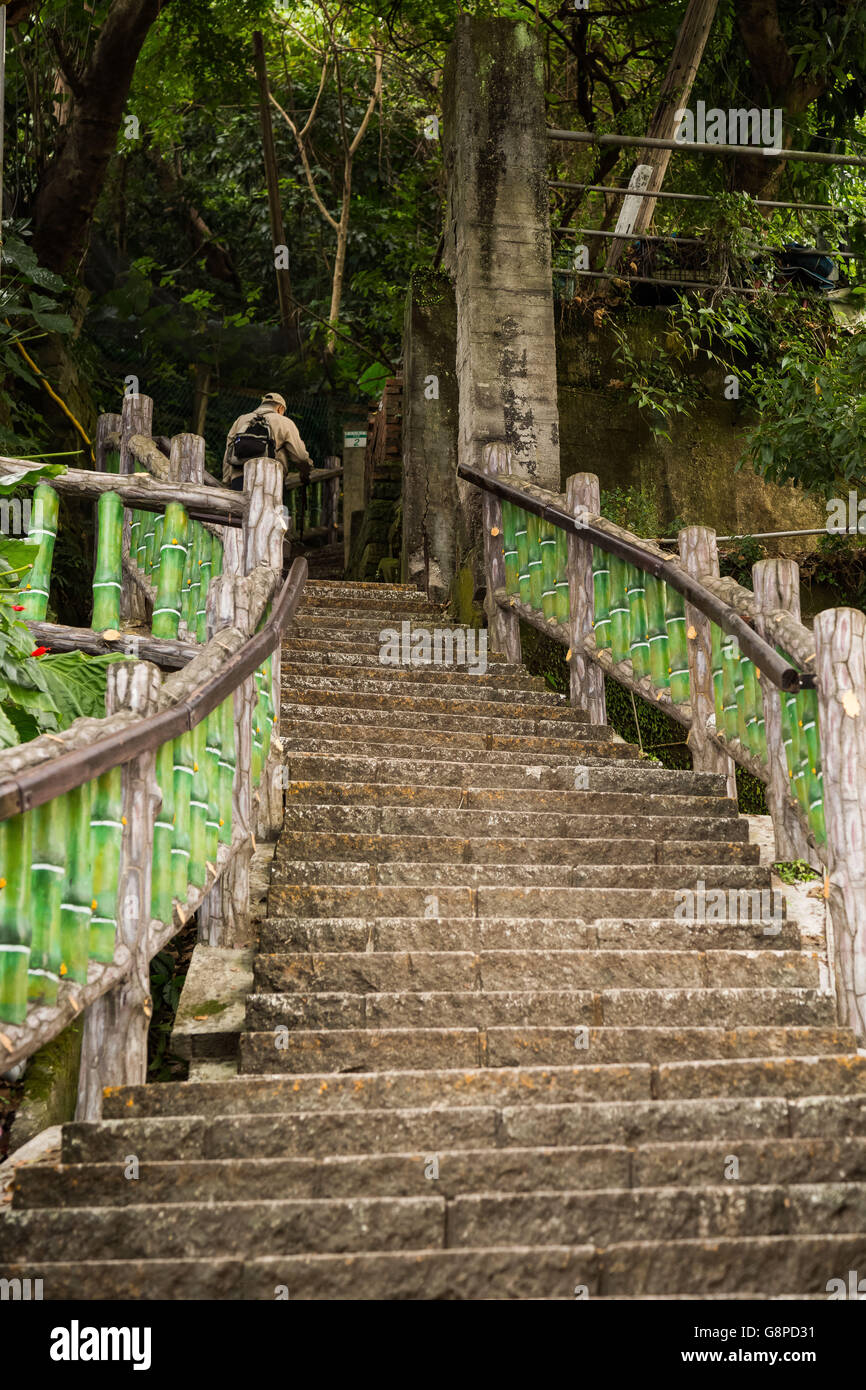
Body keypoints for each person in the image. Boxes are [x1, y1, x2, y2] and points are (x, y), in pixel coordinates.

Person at [222, 392, 313, 492]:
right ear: (280, 408)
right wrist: (305, 473)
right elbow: (300, 456)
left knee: (241, 507)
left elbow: (228, 453)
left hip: (240, 480)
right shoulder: (284, 422)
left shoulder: (241, 420)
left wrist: (227, 482)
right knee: (271, 508)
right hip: (271, 479)